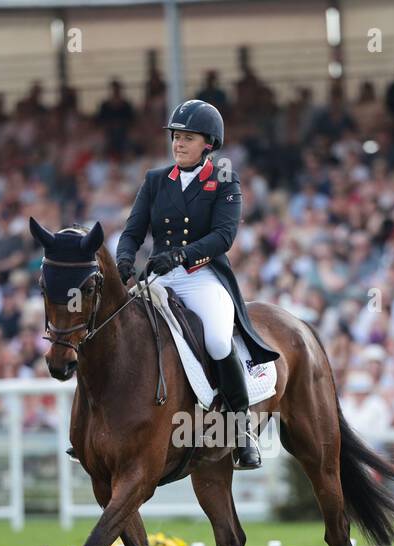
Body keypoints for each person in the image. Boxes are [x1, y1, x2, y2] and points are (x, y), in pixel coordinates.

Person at [115, 99, 281, 470]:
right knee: (116, 331)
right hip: (158, 279)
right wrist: (124, 259)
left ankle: (241, 430)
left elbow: (224, 235)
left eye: (187, 138)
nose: (178, 144)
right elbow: (133, 230)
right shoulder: (156, 180)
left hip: (200, 276)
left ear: (208, 143)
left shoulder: (223, 178)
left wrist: (180, 255)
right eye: (175, 137)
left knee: (220, 340)